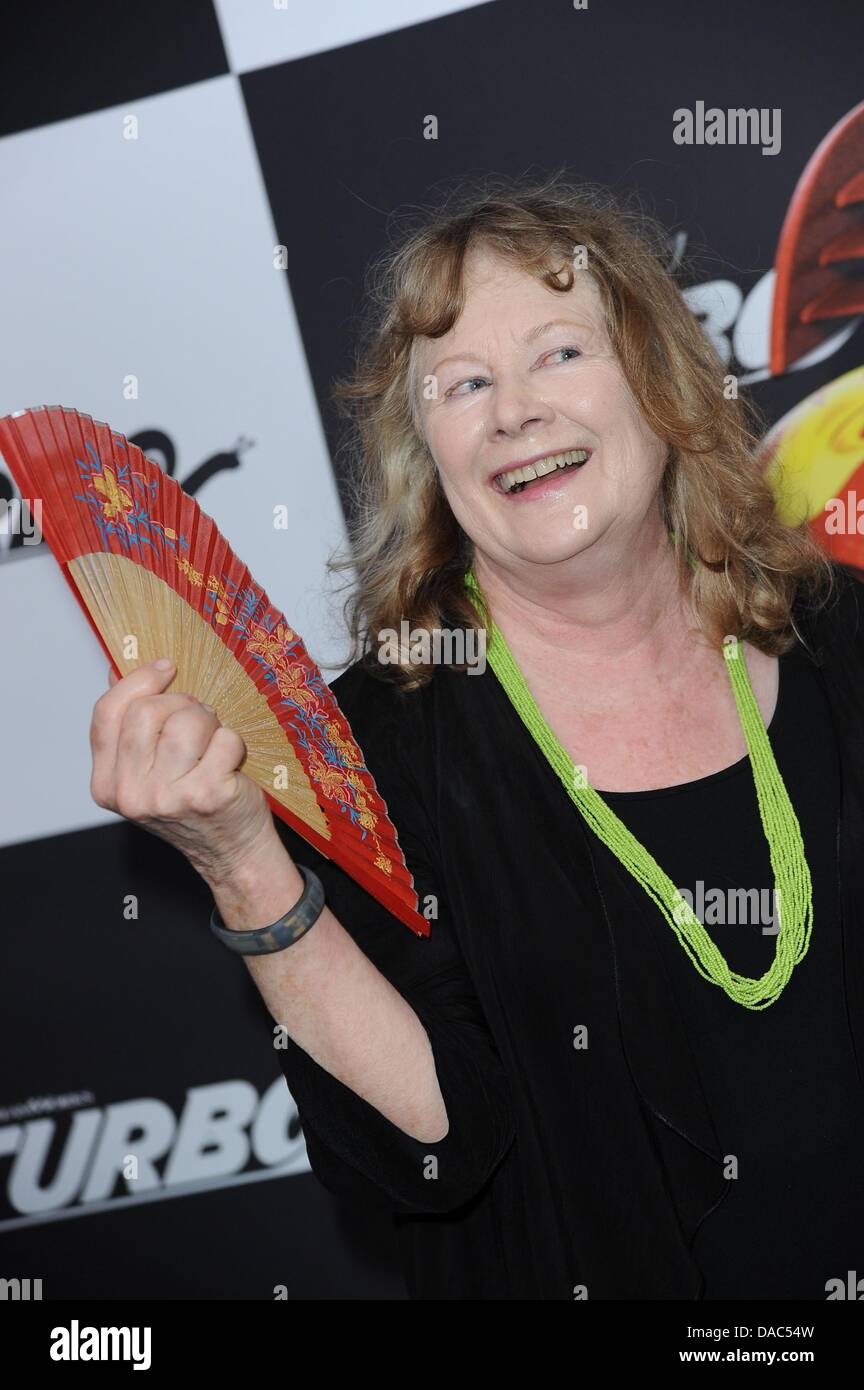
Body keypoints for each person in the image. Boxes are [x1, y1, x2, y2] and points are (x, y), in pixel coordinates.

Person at [89, 175, 864, 1301]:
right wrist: (243, 862)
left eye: (559, 354)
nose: (514, 411)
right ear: (429, 456)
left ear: (659, 379)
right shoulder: (372, 746)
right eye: (462, 383)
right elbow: (431, 1149)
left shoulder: (840, 633)